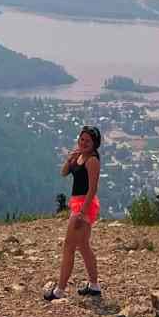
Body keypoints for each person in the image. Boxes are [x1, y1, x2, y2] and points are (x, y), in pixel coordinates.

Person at [46, 125, 103, 300]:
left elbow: (92, 189)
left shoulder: (92, 160)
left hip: (83, 206)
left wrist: (82, 213)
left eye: (88, 140)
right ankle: (94, 286)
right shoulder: (79, 156)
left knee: (69, 247)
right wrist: (69, 159)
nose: (84, 143)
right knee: (83, 246)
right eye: (82, 139)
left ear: (95, 144)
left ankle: (60, 290)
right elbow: (63, 173)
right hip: (78, 203)